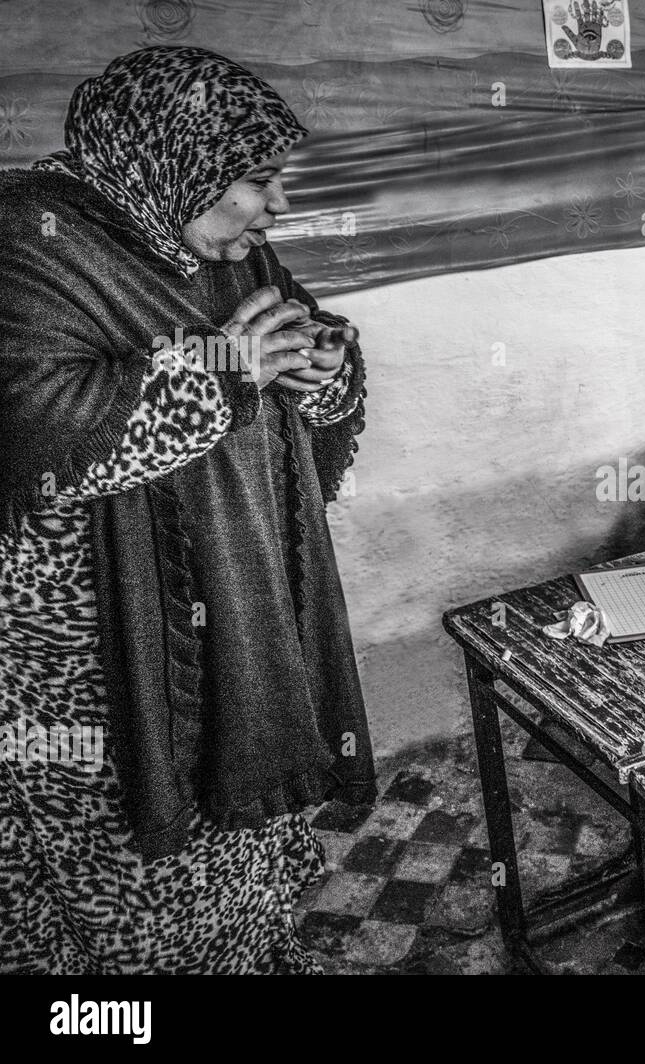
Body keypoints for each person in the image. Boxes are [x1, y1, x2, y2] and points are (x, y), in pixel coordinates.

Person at [0, 45, 376, 973]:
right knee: (133, 851)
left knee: (239, 806)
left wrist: (321, 372)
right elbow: (33, 434)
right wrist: (221, 376)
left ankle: (246, 950)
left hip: (241, 601)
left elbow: (289, 347)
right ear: (182, 160)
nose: (273, 208)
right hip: (90, 645)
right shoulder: (27, 243)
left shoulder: (217, 239)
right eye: (257, 181)